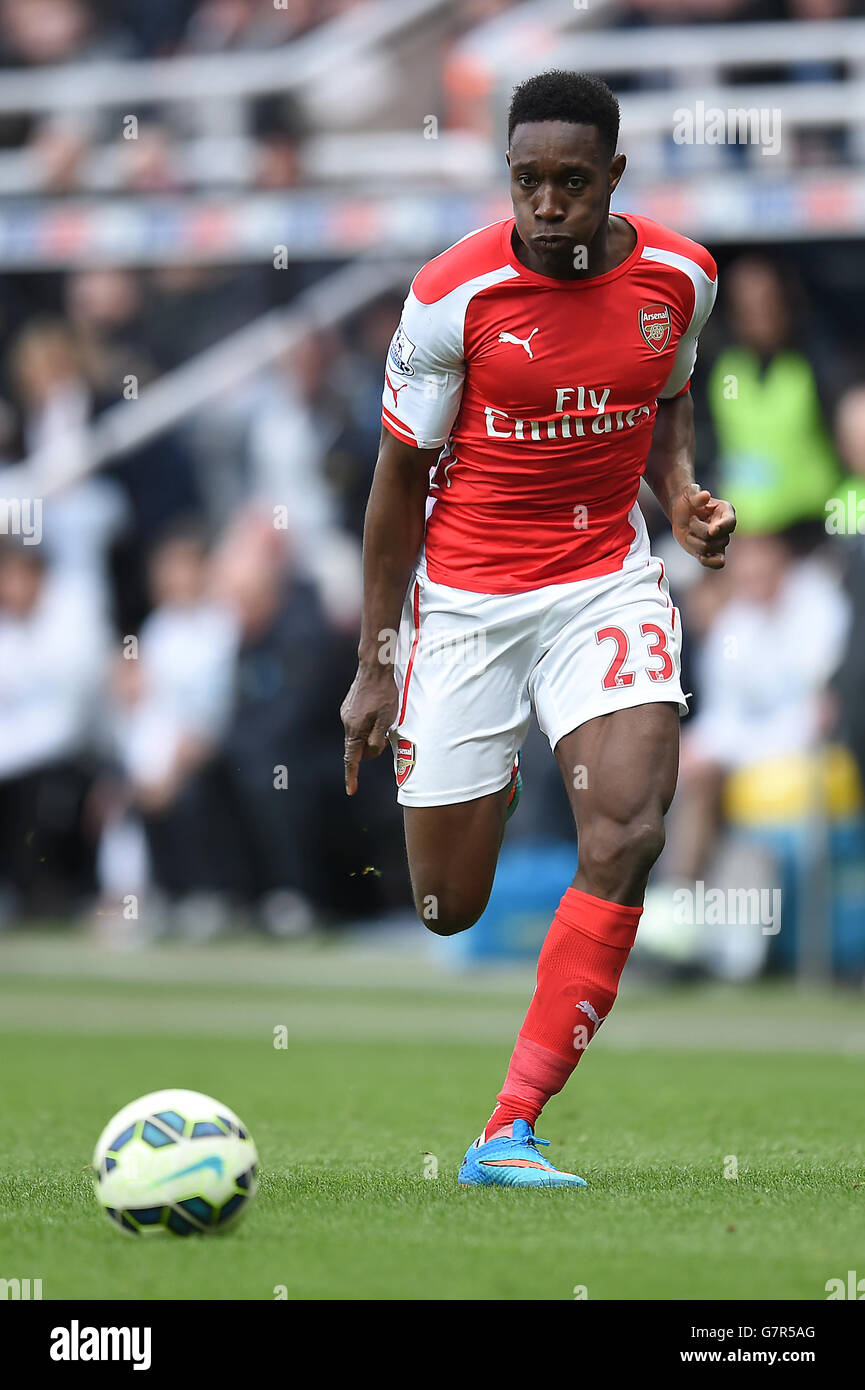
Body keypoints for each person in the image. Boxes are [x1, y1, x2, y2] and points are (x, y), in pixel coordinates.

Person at [340, 70, 735, 1188]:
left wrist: (683, 494)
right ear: (505, 179)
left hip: (600, 580)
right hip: (465, 604)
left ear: (613, 178)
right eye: (527, 183)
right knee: (445, 907)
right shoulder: (448, 296)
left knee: (627, 827)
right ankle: (491, 769)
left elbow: (662, 401)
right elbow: (393, 484)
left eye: (571, 181)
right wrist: (378, 664)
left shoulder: (682, 276)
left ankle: (507, 1127)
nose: (547, 203)